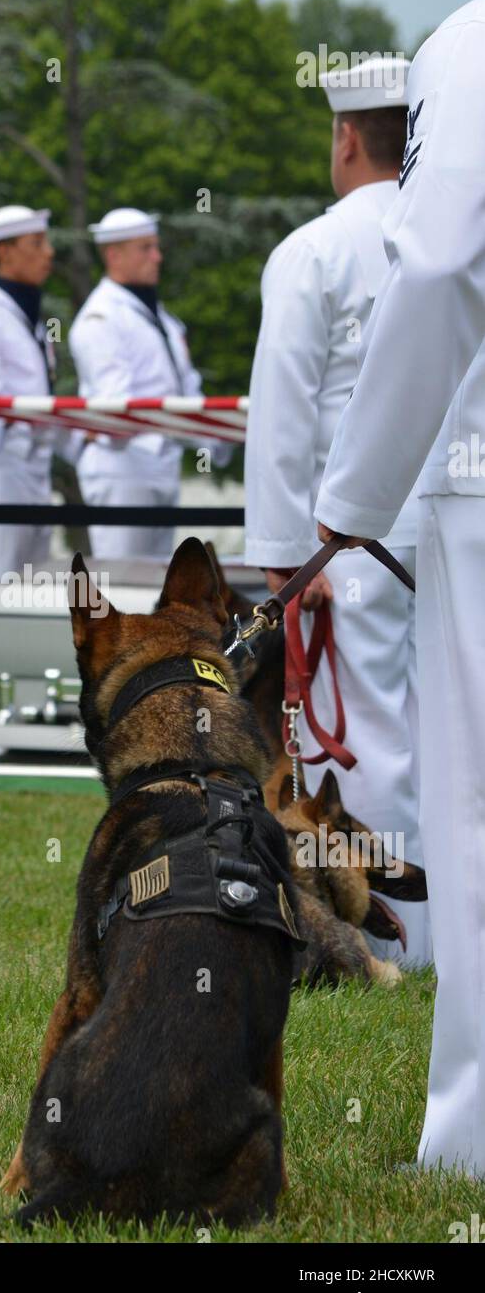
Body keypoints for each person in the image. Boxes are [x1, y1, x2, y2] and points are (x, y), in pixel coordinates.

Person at [316, 0, 485, 1173]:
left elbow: (434, 270)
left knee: (467, 803)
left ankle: (473, 1136)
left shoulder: (465, 48)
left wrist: (354, 492)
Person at [245, 56, 430, 967]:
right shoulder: (453, 232)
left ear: (346, 136)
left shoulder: (314, 250)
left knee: (367, 745)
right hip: (450, 525)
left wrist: (282, 558)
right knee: (450, 731)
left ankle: (399, 949)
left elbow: (282, 413)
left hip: (346, 545)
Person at [69, 207, 213, 560]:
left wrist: (214, 439)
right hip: (122, 466)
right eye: (145, 248)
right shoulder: (100, 317)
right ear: (113, 254)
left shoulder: (158, 315)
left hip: (158, 461)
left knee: (154, 585)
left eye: (156, 246)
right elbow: (116, 403)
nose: (157, 256)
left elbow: (184, 387)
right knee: (122, 583)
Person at [0, 204, 59, 589]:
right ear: (4, 252)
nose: (49, 252)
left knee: (32, 589)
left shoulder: (28, 310)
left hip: (34, 465)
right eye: (36, 243)